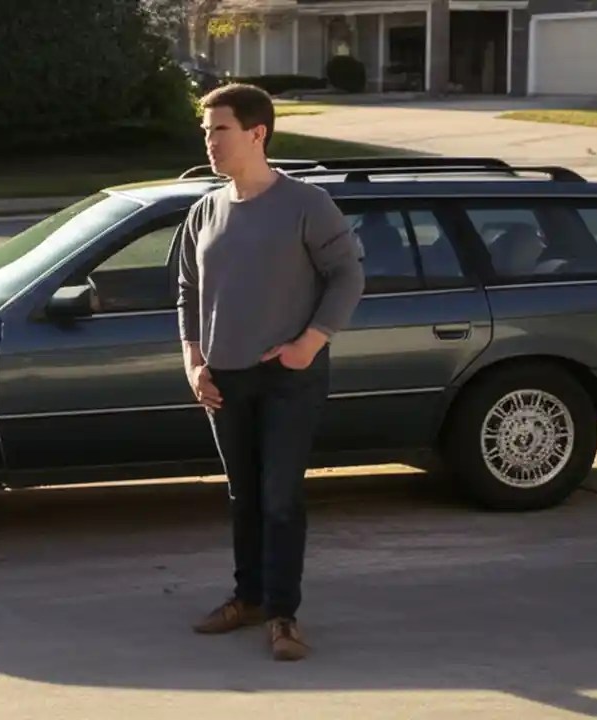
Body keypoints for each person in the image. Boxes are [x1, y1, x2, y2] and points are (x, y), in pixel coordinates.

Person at [175, 83, 365, 662]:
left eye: (220, 129)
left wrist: (310, 343)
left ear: (257, 134)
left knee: (280, 497)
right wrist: (193, 362)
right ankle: (247, 598)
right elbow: (186, 290)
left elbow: (348, 276)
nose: (210, 141)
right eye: (206, 131)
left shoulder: (306, 204)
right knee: (244, 497)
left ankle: (284, 615)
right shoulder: (203, 209)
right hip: (223, 381)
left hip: (289, 377)